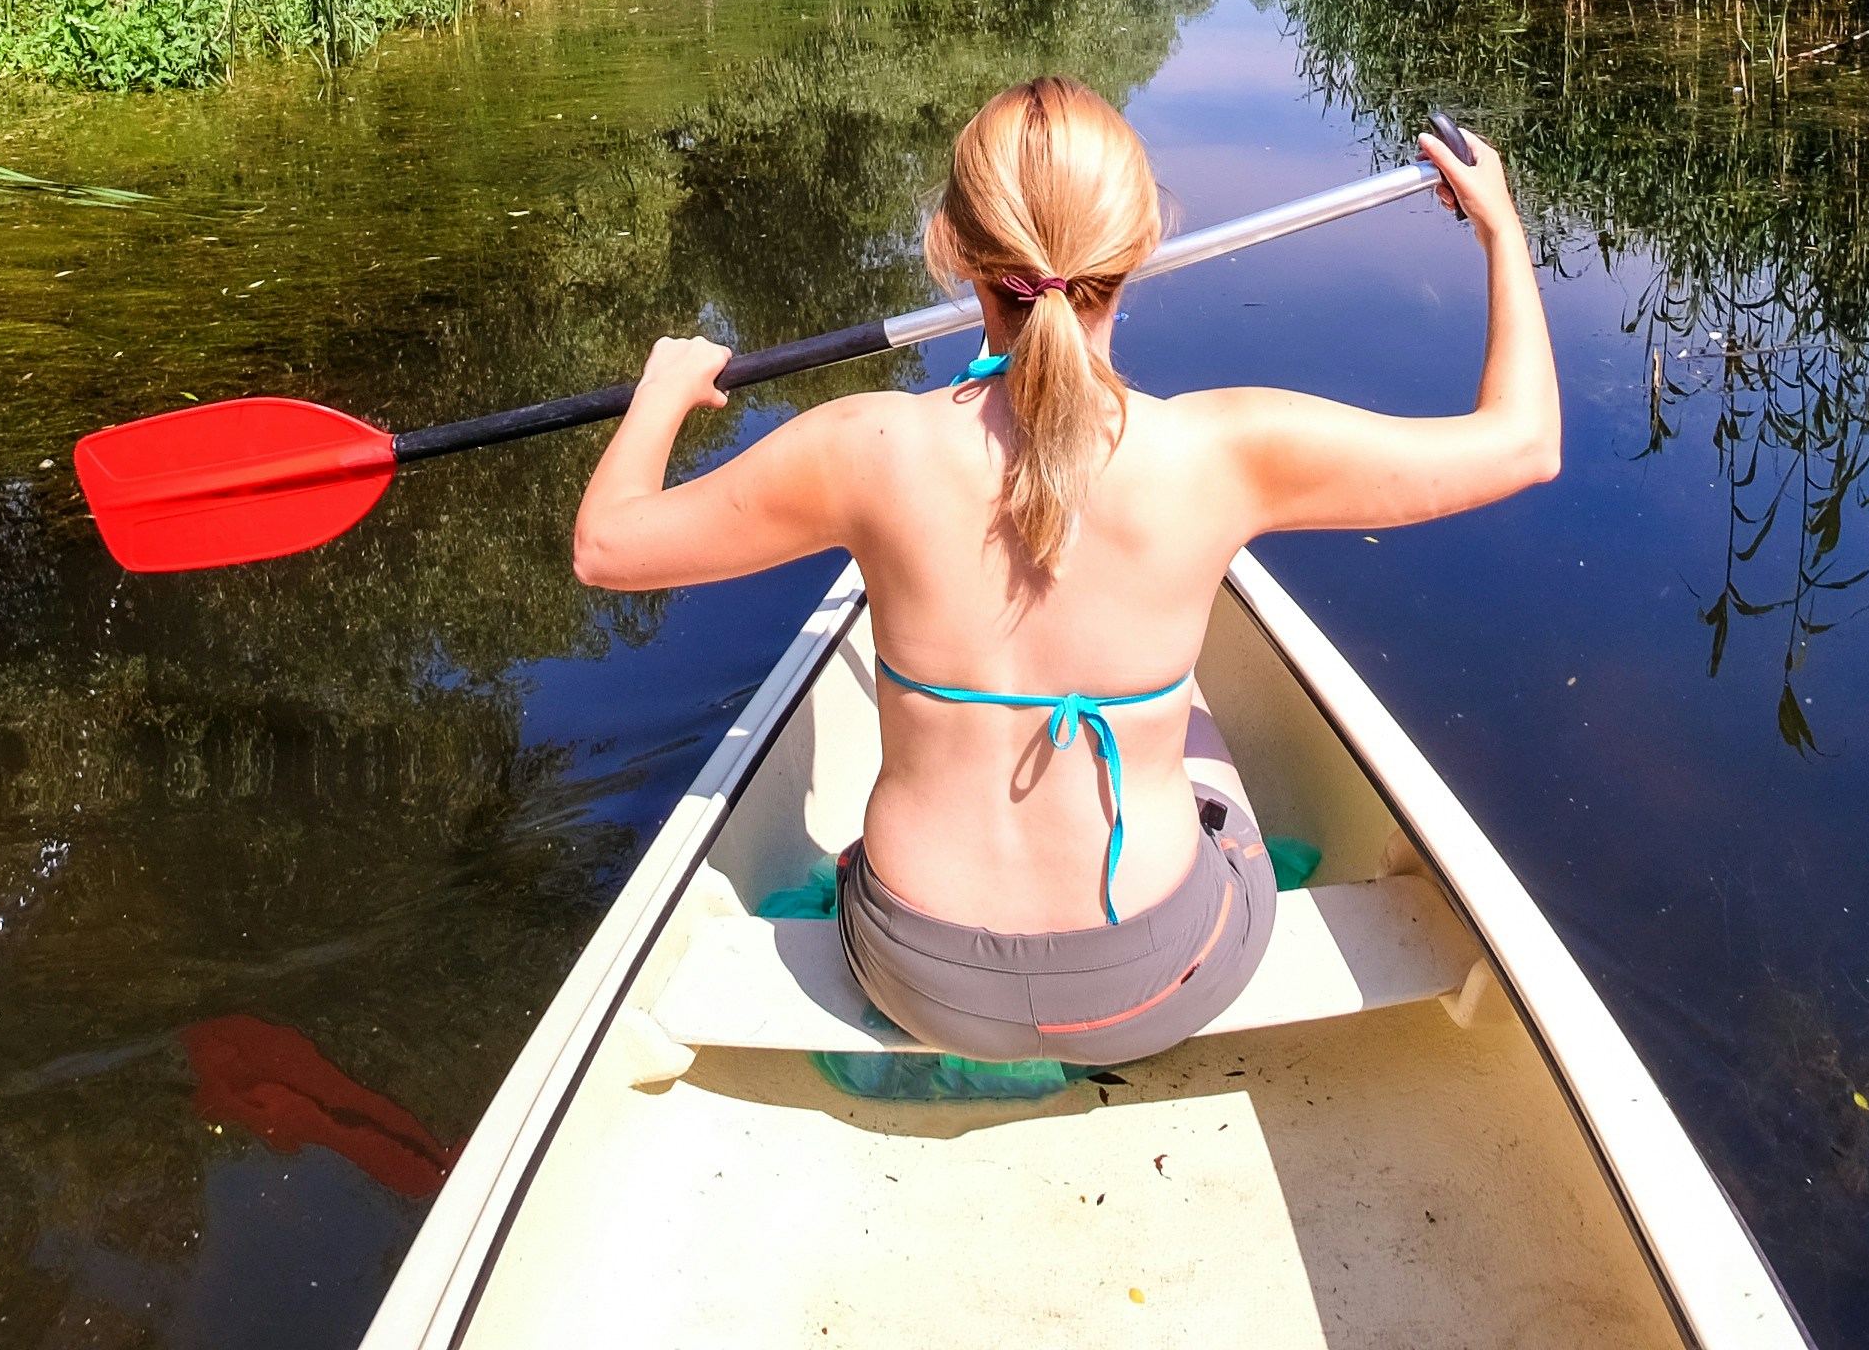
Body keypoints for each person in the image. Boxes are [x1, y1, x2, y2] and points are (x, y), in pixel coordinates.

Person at [570, 77, 1554, 1066]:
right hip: (1154, 980)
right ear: (1144, 248)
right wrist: (1500, 232)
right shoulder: (1224, 452)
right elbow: (1523, 446)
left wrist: (661, 395)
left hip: (915, 974)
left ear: (952, 249)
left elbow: (607, 547)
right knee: (1201, 729)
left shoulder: (864, 448)